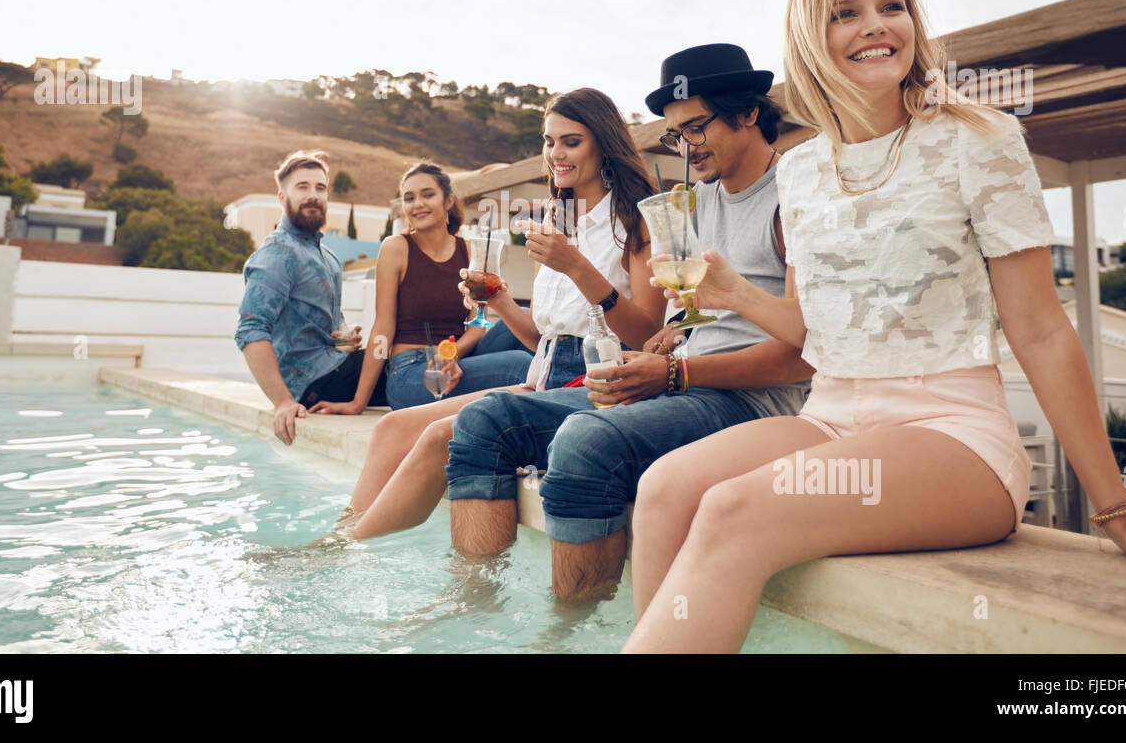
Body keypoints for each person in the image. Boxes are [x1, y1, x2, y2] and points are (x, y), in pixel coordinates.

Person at [623, 0, 1126, 654]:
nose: (876, 25)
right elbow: (811, 330)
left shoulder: (978, 139)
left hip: (954, 433)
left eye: (892, 8)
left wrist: (1117, 513)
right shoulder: (800, 173)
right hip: (831, 417)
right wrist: (731, 291)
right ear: (810, 42)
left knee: (736, 511)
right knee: (666, 488)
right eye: (846, 14)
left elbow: (1040, 329)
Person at [445, 43, 815, 600]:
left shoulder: (794, 199)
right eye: (675, 135)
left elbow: (800, 354)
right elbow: (686, 321)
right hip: (682, 383)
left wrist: (674, 374)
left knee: (585, 442)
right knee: (485, 420)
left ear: (748, 112)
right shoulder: (696, 203)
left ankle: (572, 629)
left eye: (696, 128)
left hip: (749, 400)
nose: (687, 148)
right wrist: (672, 339)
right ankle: (474, 609)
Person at [339, 87, 668, 540]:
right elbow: (541, 338)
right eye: (549, 141)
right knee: (392, 428)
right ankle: (342, 532)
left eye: (571, 141)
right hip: (543, 373)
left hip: (597, 379)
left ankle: (342, 552)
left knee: (440, 437)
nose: (556, 154)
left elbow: (647, 333)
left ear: (604, 143)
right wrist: (499, 302)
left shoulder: (636, 220)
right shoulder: (555, 219)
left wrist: (575, 265)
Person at [307, 161, 533, 414]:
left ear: (448, 201)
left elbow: (476, 326)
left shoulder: (468, 250)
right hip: (411, 372)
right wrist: (358, 402)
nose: (418, 204)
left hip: (458, 358)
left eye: (428, 195)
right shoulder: (396, 248)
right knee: (519, 366)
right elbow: (383, 328)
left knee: (522, 323)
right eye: (409, 198)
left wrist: (451, 353)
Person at [235, 150, 385, 444]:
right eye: (302, 187)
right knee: (407, 366)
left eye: (320, 187)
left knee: (403, 360)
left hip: (335, 367)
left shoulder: (327, 256)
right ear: (282, 197)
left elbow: (324, 328)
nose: (313, 195)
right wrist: (283, 402)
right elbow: (251, 331)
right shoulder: (277, 253)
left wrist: (343, 339)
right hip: (313, 385)